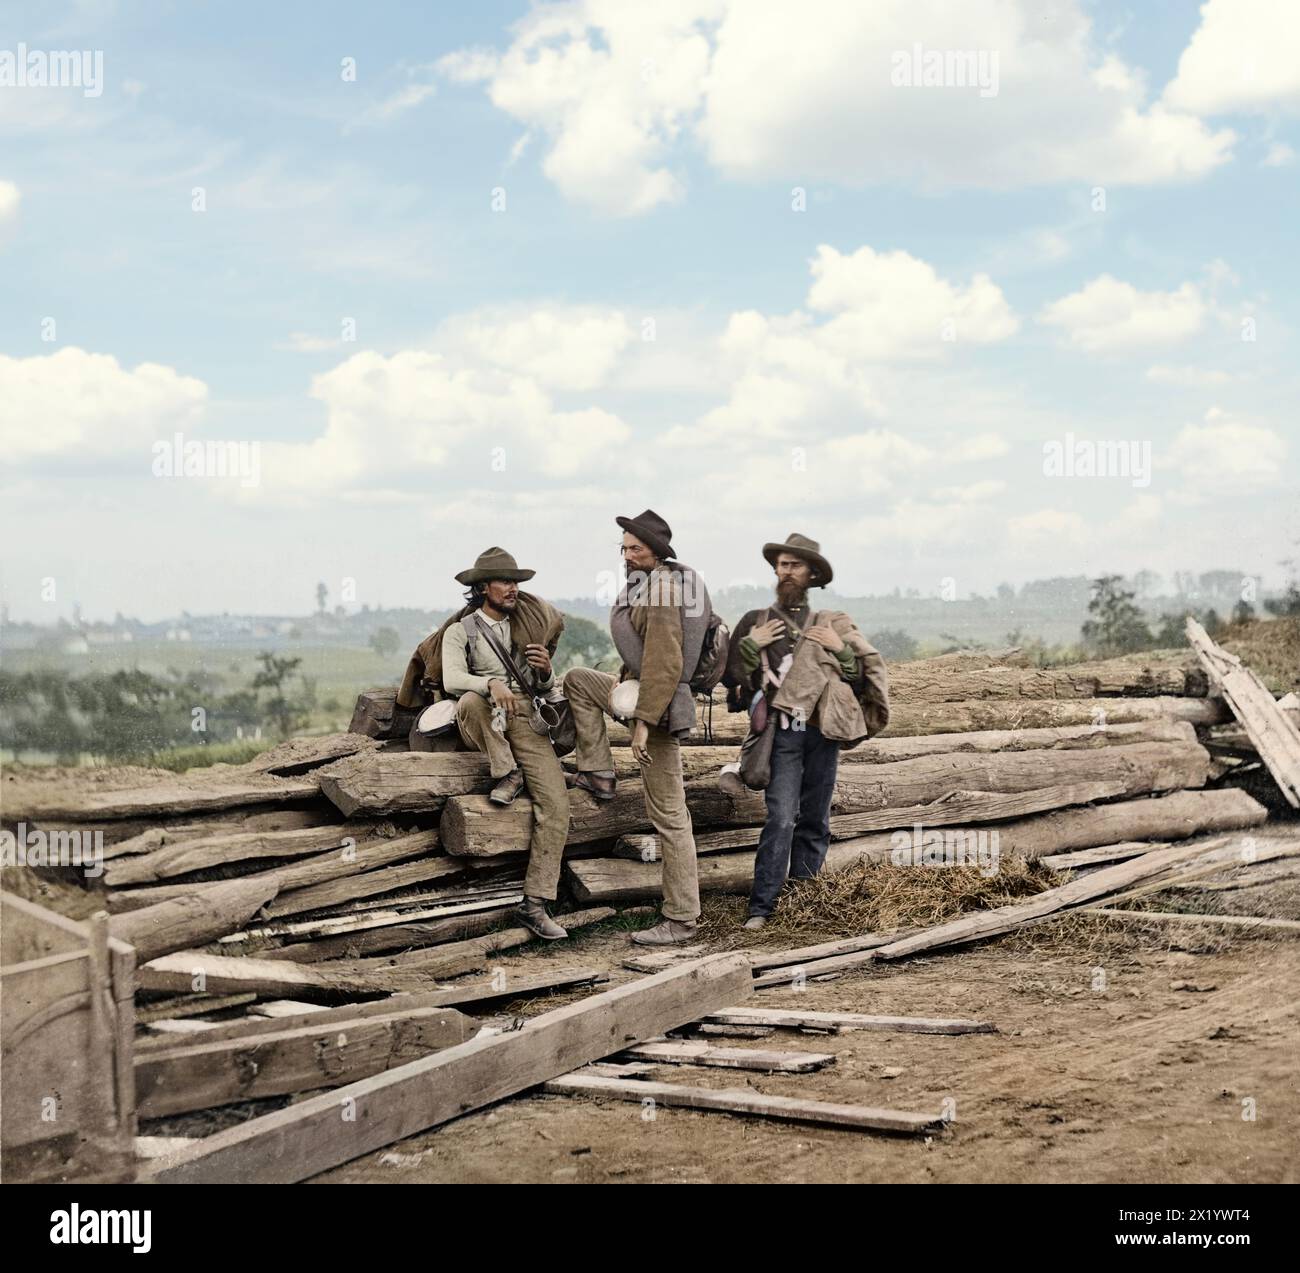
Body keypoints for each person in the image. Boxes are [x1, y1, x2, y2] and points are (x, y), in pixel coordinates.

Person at [722, 534, 889, 929]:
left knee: (815, 818)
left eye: (795, 565)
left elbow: (859, 678)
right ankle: (761, 908)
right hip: (780, 733)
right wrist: (749, 647)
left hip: (822, 732)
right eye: (781, 565)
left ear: (812, 574)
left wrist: (841, 650)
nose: (786, 572)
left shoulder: (832, 623)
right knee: (781, 817)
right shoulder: (755, 621)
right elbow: (731, 680)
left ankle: (804, 904)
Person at [564, 510, 711, 946]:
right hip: (638, 690)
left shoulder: (663, 590)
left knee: (669, 815)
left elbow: (665, 663)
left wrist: (643, 725)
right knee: (577, 680)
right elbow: (642, 652)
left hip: (659, 708)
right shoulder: (648, 581)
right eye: (624, 548)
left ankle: (682, 919)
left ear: (657, 551)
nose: (627, 555)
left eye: (636, 549)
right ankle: (598, 771)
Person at [435, 547, 572, 940]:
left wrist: (545, 672)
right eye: (504, 582)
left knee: (556, 805)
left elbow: (542, 686)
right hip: (484, 716)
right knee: (470, 700)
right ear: (482, 588)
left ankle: (535, 904)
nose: (513, 589)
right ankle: (507, 771)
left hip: (526, 717)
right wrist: (489, 683)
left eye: (515, 582)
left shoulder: (525, 626)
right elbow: (452, 679)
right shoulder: (461, 631)